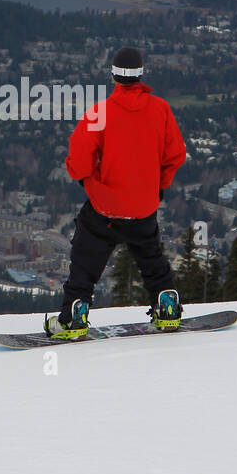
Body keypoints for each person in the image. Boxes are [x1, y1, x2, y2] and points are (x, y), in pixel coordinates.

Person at [50, 46, 187, 339]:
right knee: (152, 257)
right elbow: (175, 154)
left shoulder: (100, 113)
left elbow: (78, 157)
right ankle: (167, 308)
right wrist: (158, 186)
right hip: (144, 206)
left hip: (105, 206)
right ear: (141, 74)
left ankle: (74, 315)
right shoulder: (160, 109)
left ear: (113, 75)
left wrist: (86, 182)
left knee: (86, 261)